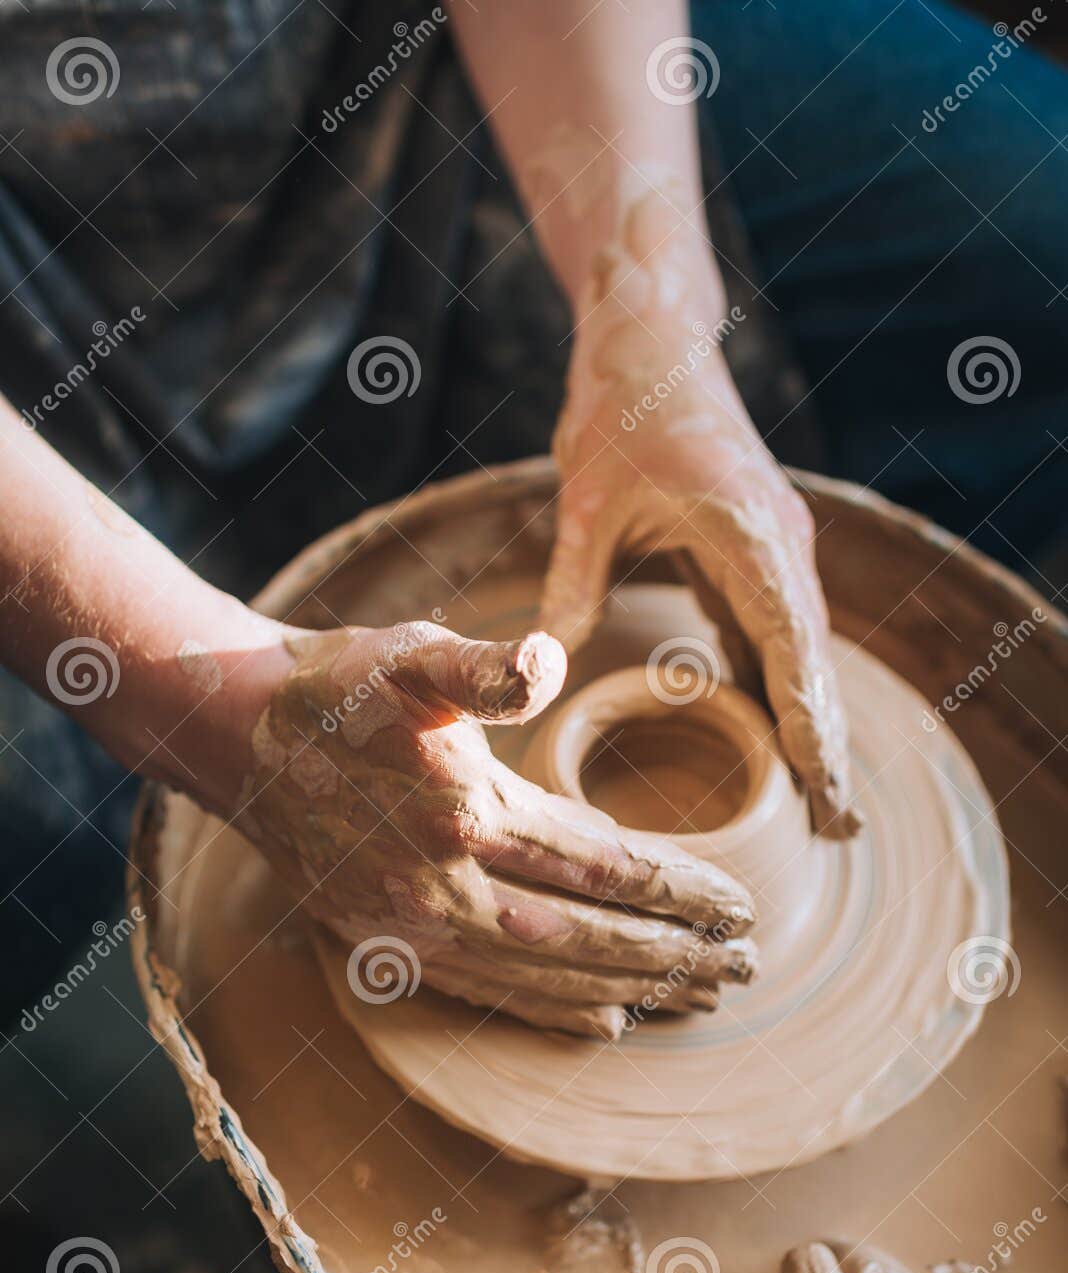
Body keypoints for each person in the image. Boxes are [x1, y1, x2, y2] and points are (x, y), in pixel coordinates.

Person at [1, 1, 1062, 1031]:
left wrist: (651, 318)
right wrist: (210, 702)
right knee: (33, 854)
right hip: (30, 327)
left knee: (1034, 229)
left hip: (388, 60)